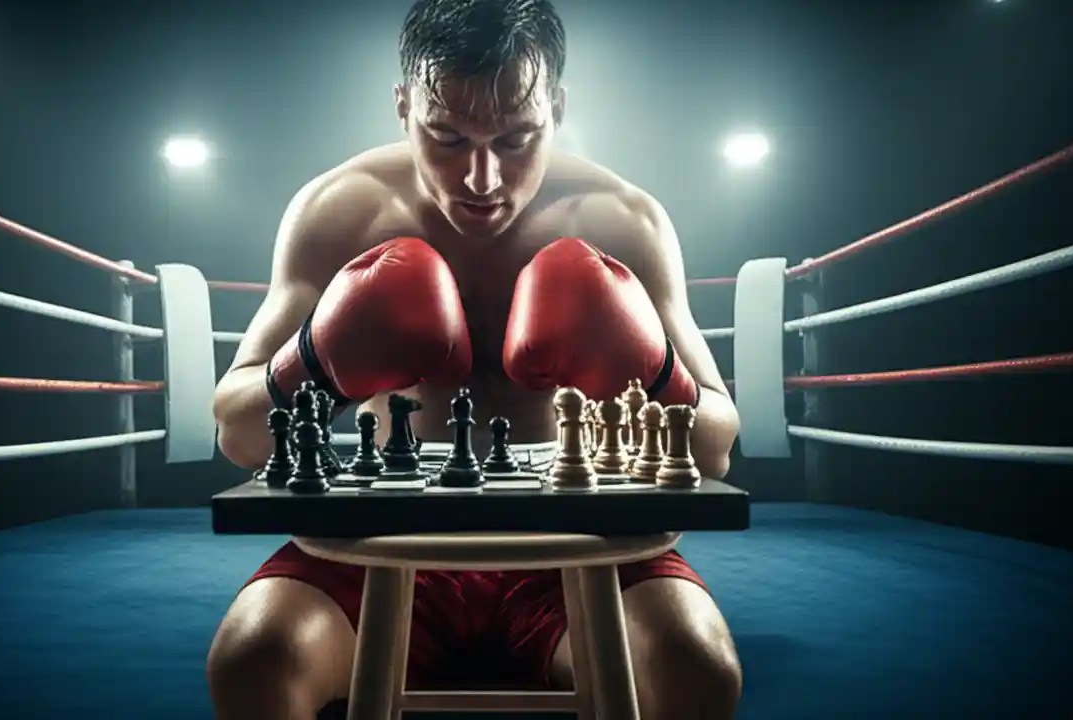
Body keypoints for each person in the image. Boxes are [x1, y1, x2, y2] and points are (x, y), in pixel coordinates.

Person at [208, 0, 742, 717]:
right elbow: (237, 434)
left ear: (557, 105)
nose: (484, 178)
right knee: (251, 662)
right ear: (403, 108)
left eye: (519, 138)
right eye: (448, 138)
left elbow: (714, 448)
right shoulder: (340, 212)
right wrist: (317, 358)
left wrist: (650, 372)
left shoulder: (624, 220)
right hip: (387, 533)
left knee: (696, 669)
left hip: (577, 533)